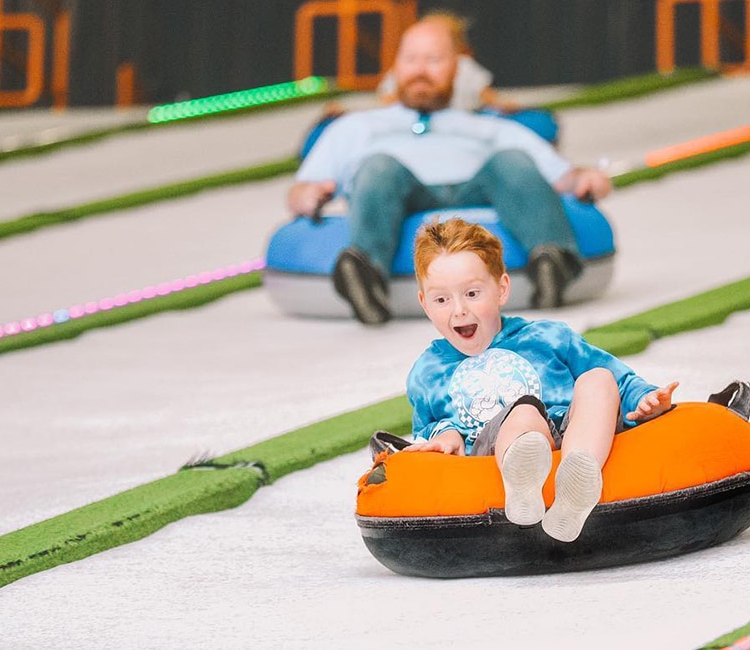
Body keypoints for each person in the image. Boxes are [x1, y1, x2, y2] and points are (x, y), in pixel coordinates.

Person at [288, 16, 611, 325]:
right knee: (377, 166)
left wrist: (586, 179)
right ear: (395, 67)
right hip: (398, 191)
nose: (420, 70)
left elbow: (563, 177)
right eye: (411, 59)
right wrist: (308, 196)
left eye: (434, 60)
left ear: (456, 69)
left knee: (512, 158)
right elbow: (303, 190)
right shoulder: (356, 127)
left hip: (476, 188)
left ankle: (551, 262)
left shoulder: (487, 126)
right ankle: (366, 275)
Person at [403, 219, 678, 543]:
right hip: (495, 444)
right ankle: (522, 486)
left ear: (502, 289)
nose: (459, 310)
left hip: (568, 431)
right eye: (442, 300)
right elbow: (426, 429)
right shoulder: (428, 371)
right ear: (424, 303)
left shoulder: (546, 337)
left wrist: (643, 399)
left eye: (472, 293)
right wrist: (445, 434)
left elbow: (617, 377)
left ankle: (577, 480)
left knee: (599, 379)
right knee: (524, 412)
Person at [375, 11, 520, 113]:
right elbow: (388, 97)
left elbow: (485, 93)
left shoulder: (465, 66)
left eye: (434, 58)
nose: (421, 68)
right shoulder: (403, 67)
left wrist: (500, 104)